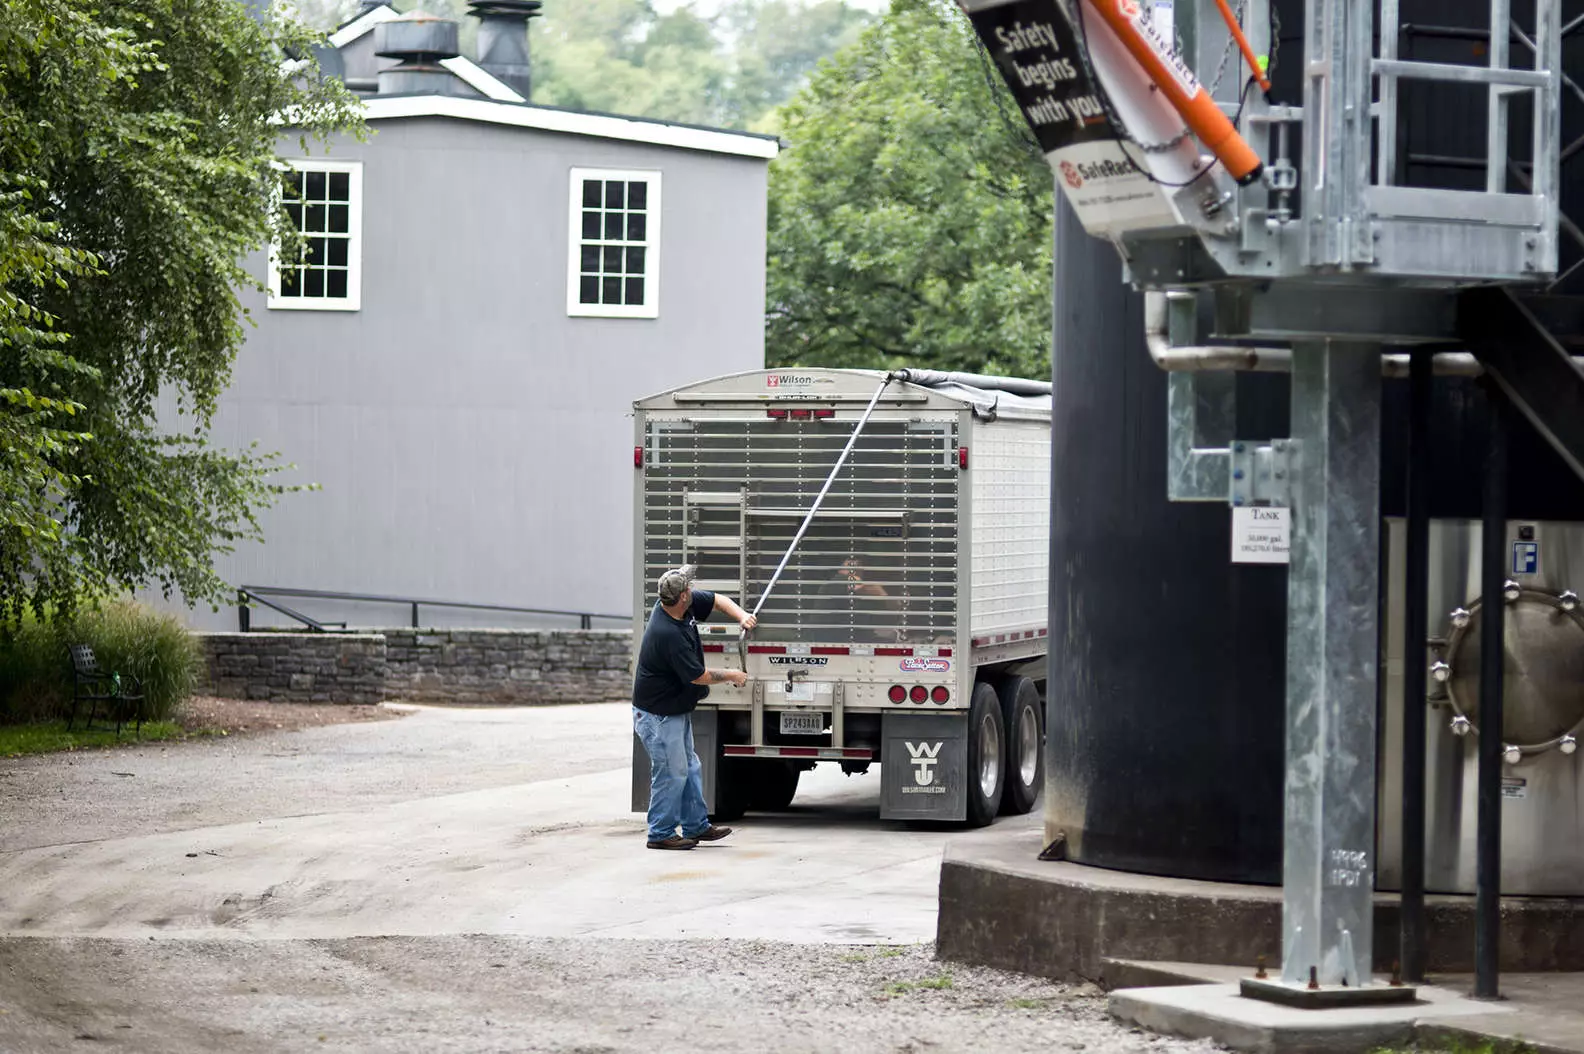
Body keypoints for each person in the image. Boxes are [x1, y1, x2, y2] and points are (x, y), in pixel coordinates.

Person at [632, 565, 757, 850]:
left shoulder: (673, 605)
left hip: (673, 710)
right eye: (690, 587)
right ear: (684, 596)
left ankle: (696, 825)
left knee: (689, 766)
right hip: (658, 716)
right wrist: (732, 675)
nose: (692, 589)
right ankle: (660, 833)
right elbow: (697, 676)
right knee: (671, 772)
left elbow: (717, 600)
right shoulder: (668, 634)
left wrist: (742, 617)